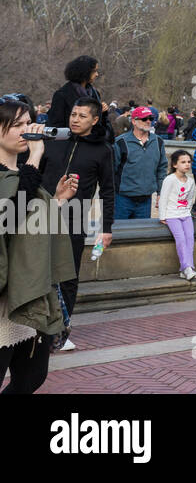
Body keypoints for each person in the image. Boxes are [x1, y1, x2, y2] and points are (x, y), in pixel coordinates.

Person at [0, 98, 78, 393]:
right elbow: (7, 217)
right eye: (17, 125)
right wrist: (34, 158)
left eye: (28, 123)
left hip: (31, 292)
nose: (27, 130)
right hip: (4, 298)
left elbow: (29, 228)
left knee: (32, 376)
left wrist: (56, 201)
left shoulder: (22, 175)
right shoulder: (21, 173)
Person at [39, 96, 114, 347]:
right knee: (37, 271)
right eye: (73, 114)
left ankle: (61, 330)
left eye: (82, 116)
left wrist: (106, 229)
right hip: (40, 216)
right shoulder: (53, 141)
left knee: (67, 278)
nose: (75, 119)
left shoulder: (103, 150)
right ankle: (37, 327)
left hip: (74, 220)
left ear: (94, 120)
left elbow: (108, 191)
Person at [113, 107, 168, 220]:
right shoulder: (120, 142)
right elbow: (110, 170)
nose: (148, 121)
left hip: (145, 200)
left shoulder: (158, 142)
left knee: (140, 234)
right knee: (118, 233)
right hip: (122, 199)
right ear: (133, 121)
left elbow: (162, 169)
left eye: (151, 118)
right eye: (144, 119)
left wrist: (160, 193)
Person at [160, 150, 196, 281]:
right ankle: (187, 268)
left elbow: (189, 198)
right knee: (181, 240)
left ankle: (187, 269)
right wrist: (162, 216)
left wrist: (187, 210)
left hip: (186, 215)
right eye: (183, 162)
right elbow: (163, 198)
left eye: (189, 162)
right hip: (172, 216)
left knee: (190, 239)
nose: (187, 164)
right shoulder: (169, 179)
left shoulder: (190, 181)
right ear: (175, 164)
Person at [46, 55, 102, 130]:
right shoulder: (62, 95)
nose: (97, 74)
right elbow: (56, 125)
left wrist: (103, 113)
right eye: (94, 71)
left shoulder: (95, 93)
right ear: (85, 71)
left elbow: (99, 122)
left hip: (93, 140)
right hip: (71, 140)